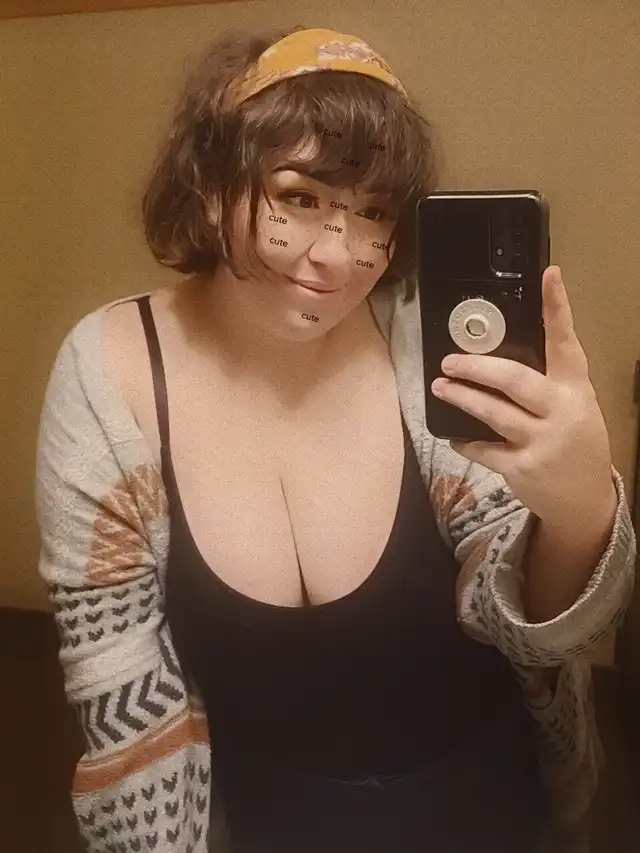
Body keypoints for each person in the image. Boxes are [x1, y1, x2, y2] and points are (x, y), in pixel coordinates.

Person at [34, 25, 635, 853]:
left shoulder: (424, 343)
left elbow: (533, 628)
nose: (338, 255)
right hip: (261, 820)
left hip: (486, 802)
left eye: (374, 212)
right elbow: (119, 698)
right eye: (300, 197)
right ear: (209, 181)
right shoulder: (109, 375)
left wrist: (578, 508)